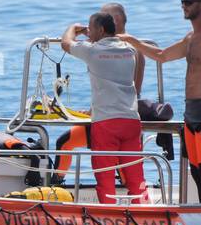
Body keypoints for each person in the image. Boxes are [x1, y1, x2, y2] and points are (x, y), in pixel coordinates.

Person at [122, 0, 201, 203]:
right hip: (190, 111)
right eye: (183, 2)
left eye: (189, 2)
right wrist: (132, 40)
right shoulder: (191, 38)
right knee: (196, 171)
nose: (184, 6)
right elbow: (162, 55)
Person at [61, 12, 147, 204]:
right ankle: (143, 210)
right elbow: (137, 57)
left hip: (106, 123)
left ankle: (109, 215)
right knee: (135, 176)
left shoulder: (92, 51)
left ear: (100, 30)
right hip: (131, 120)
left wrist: (75, 28)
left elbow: (66, 43)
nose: (88, 32)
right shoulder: (129, 50)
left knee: (105, 176)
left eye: (91, 29)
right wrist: (92, 32)